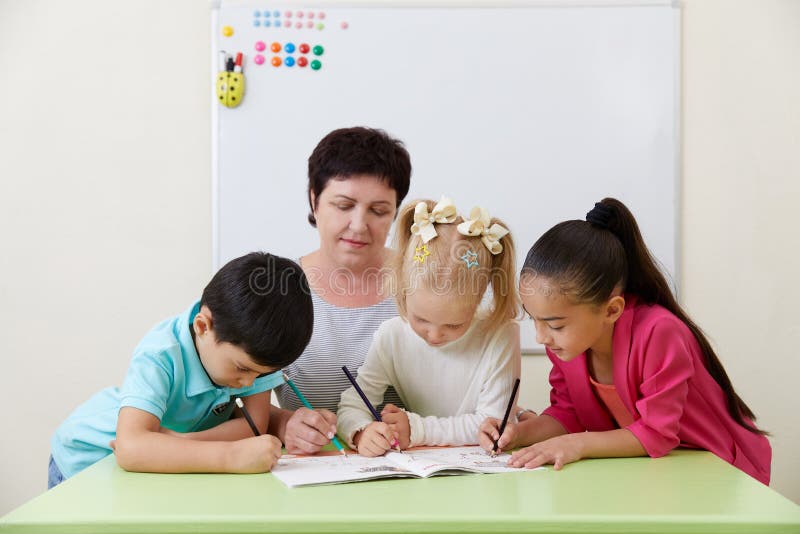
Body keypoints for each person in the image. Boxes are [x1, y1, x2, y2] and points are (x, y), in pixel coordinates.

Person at [478, 198, 771, 484]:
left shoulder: (659, 332)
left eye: (554, 324)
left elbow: (657, 434)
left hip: (717, 473)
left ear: (611, 310)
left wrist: (575, 445)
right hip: (653, 475)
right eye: (534, 319)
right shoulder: (569, 345)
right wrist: (518, 433)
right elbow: (569, 414)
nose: (541, 337)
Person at [48, 252, 313, 487]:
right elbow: (131, 448)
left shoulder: (250, 354)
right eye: (242, 369)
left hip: (152, 471)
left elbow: (253, 427)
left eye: (261, 374)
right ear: (202, 327)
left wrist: (173, 442)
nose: (248, 383)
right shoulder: (160, 353)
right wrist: (231, 455)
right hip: (86, 462)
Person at [337, 197, 521, 456]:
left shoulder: (499, 333)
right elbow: (352, 403)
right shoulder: (392, 336)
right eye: (420, 319)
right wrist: (360, 431)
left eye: (455, 324)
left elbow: (492, 424)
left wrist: (416, 429)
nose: (434, 336)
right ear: (402, 288)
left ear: (479, 300)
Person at [268, 126, 412, 454]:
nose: (359, 225)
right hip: (313, 474)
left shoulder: (424, 283)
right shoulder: (276, 291)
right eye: (344, 205)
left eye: (378, 211)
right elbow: (236, 397)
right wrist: (282, 423)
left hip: (412, 474)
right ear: (314, 199)